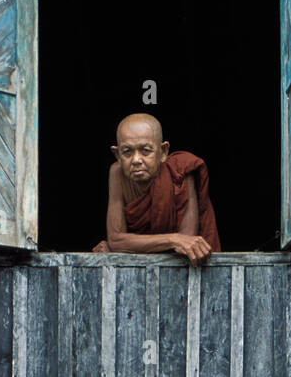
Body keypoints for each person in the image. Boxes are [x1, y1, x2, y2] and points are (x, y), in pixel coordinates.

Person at [92, 113, 220, 264]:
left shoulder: (180, 172)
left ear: (163, 152)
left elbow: (188, 241)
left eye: (145, 151)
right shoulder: (117, 173)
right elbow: (116, 240)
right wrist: (173, 239)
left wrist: (126, 245)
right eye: (127, 152)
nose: (136, 160)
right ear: (117, 154)